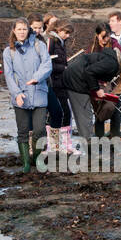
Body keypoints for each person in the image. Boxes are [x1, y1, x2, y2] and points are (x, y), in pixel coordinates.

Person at [2, 18, 52, 173]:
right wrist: (16, 93)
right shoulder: (8, 51)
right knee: (22, 131)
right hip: (20, 96)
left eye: (24, 29)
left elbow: (47, 65)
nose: (22, 32)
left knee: (39, 130)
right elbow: (8, 75)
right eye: (19, 29)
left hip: (39, 93)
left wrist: (37, 77)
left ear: (28, 30)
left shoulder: (39, 45)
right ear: (14, 31)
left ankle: (37, 159)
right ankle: (25, 163)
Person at [64, 36, 121, 144]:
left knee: (84, 114)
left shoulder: (104, 57)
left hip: (75, 77)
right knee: (84, 114)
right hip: (75, 81)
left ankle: (89, 141)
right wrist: (97, 89)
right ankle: (88, 144)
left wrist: (99, 84)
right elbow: (89, 72)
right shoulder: (112, 64)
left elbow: (93, 70)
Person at [45, 18, 78, 156]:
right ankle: (56, 146)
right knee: (60, 113)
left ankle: (64, 145)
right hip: (53, 83)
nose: (68, 35)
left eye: (69, 33)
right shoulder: (51, 41)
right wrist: (64, 67)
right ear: (58, 29)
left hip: (61, 82)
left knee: (64, 113)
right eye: (66, 32)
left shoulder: (60, 42)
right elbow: (46, 63)